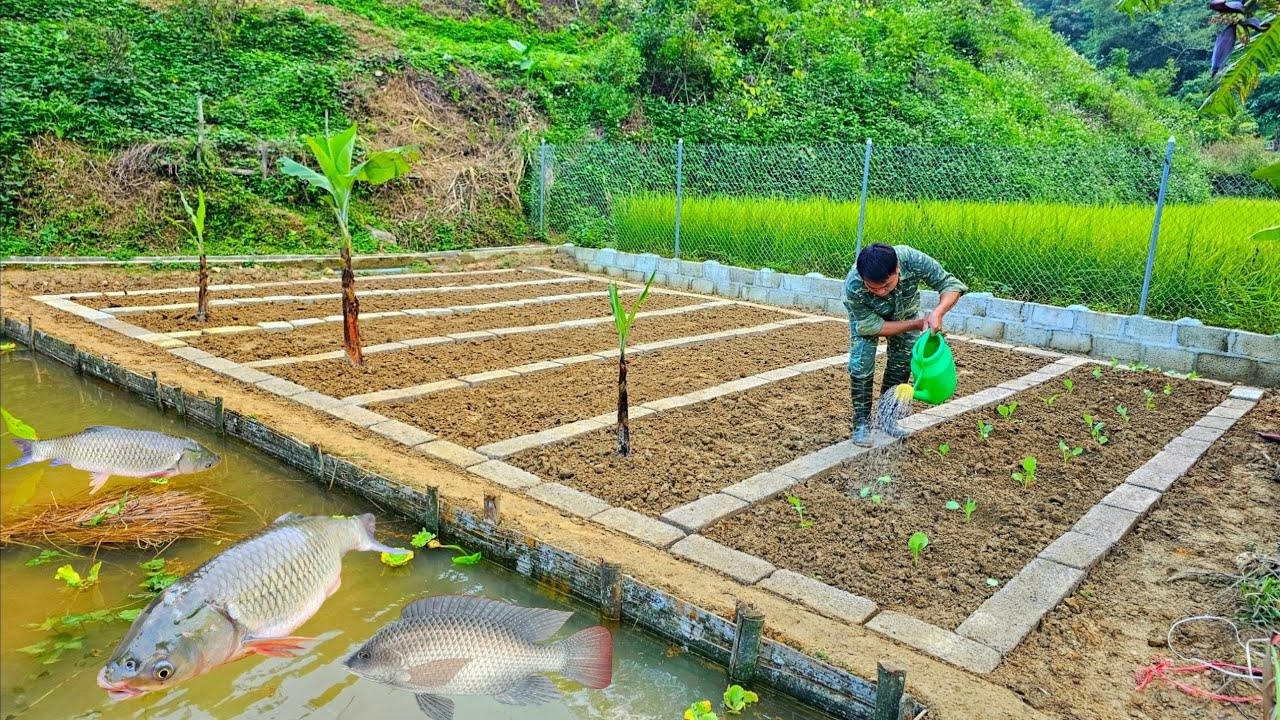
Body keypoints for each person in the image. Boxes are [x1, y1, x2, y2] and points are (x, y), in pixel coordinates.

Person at [844, 243, 968, 446]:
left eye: (887, 285)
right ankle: (862, 423)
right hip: (869, 322)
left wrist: (937, 312)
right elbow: (872, 327)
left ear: (898, 269)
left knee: (902, 361)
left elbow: (950, 284)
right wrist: (917, 323)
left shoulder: (912, 259)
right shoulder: (854, 286)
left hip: (905, 311)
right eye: (873, 288)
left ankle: (887, 417)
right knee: (861, 362)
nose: (882, 292)